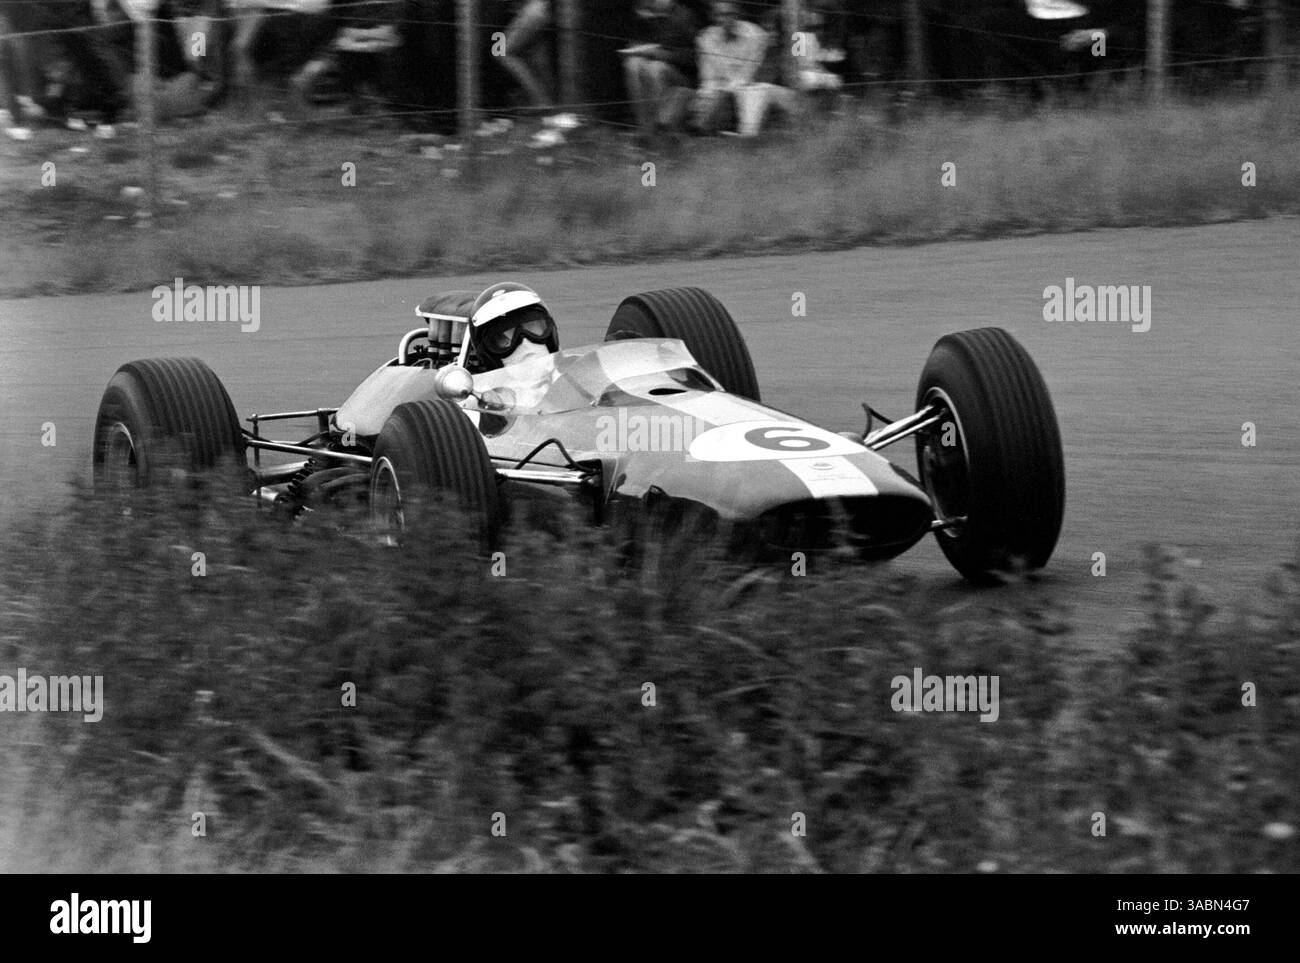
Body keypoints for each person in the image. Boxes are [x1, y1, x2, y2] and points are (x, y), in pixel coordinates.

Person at [692, 0, 782, 137]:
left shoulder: (755, 36)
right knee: (707, 98)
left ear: (738, 14)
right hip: (723, 93)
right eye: (720, 15)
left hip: (747, 90)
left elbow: (749, 75)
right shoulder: (706, 39)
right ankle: (704, 128)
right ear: (713, 16)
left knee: (752, 92)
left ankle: (721, 130)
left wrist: (725, 89)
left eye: (729, 14)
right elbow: (708, 78)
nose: (725, 20)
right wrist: (708, 96)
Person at [620, 0, 697, 141]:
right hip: (652, 64)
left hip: (681, 77)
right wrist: (637, 48)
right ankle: (644, 125)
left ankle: (659, 124)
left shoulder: (683, 16)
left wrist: (661, 54)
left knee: (655, 69)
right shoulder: (647, 13)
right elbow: (638, 41)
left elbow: (691, 58)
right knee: (632, 64)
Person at [467, 282, 560, 372]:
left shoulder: (571, 376)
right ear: (488, 356)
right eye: (504, 340)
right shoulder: (478, 387)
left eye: (532, 328)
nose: (526, 345)